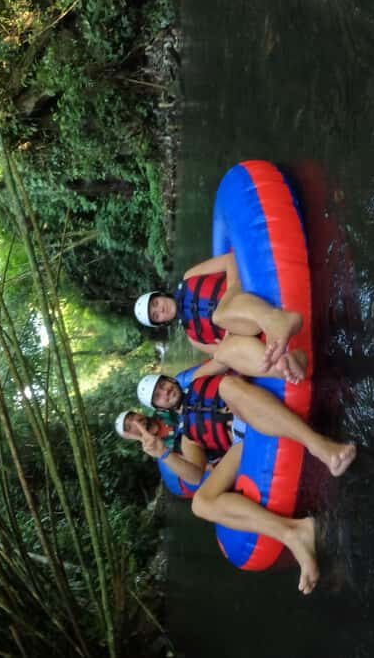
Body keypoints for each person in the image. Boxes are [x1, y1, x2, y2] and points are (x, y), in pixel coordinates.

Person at [136, 370, 357, 593]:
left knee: (227, 387)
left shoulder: (198, 379)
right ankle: (294, 533)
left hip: (246, 409)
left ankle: (319, 446)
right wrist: (163, 453)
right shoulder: (188, 436)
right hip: (240, 444)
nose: (165, 392)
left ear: (170, 380)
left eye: (163, 385)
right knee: (200, 504)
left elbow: (224, 357)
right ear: (160, 408)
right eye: (158, 396)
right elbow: (194, 476)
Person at [134, 252, 303, 373]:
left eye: (156, 303)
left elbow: (230, 260)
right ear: (162, 323)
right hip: (246, 328)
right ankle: (280, 364)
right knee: (222, 353)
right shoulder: (194, 338)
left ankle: (276, 322)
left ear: (160, 295)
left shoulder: (189, 276)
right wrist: (228, 336)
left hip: (242, 292)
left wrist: (228, 299)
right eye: (156, 315)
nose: (160, 309)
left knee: (219, 316)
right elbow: (225, 354)